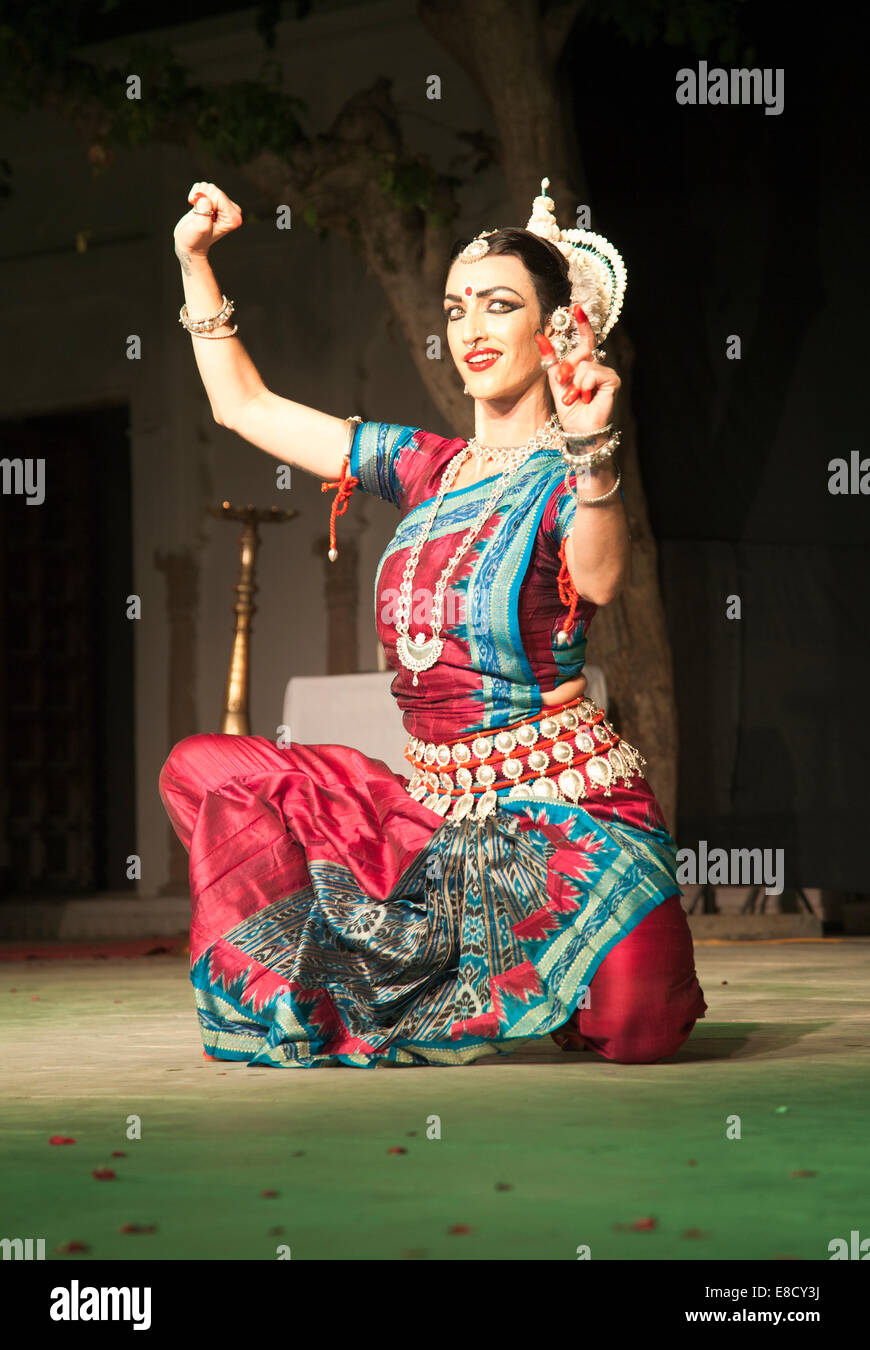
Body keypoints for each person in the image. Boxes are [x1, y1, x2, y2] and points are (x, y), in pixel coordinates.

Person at [159, 176, 707, 1068]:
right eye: (457, 310)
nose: (472, 331)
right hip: (431, 817)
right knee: (203, 770)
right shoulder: (428, 467)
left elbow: (600, 577)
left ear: (558, 325)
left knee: (638, 1025)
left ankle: (540, 972)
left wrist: (594, 450)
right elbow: (244, 407)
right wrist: (194, 263)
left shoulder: (575, 469)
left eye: (500, 306)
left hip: (558, 816)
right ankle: (443, 964)